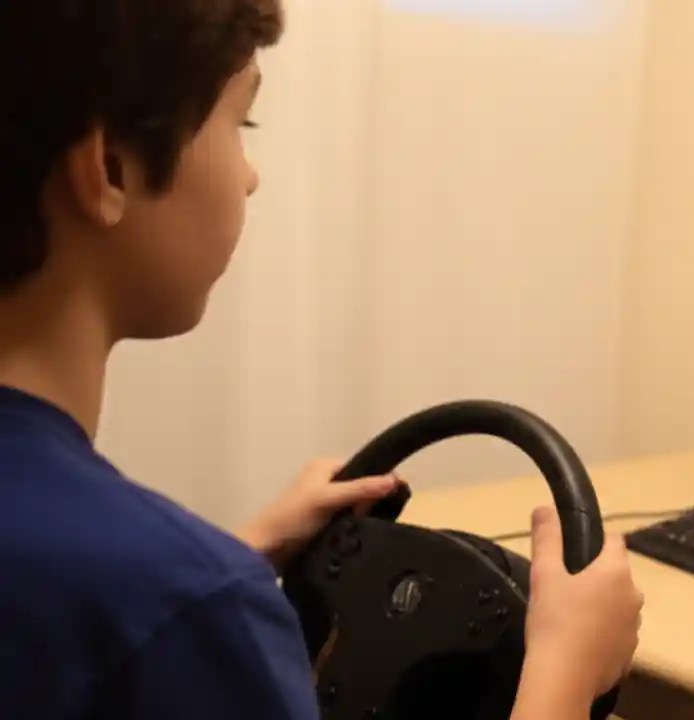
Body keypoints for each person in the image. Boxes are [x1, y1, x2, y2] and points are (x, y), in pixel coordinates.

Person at [0, 2, 644, 718]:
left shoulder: (124, 588)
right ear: (110, 168)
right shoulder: (188, 607)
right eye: (241, 124)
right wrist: (567, 663)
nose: (250, 177)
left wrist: (243, 554)